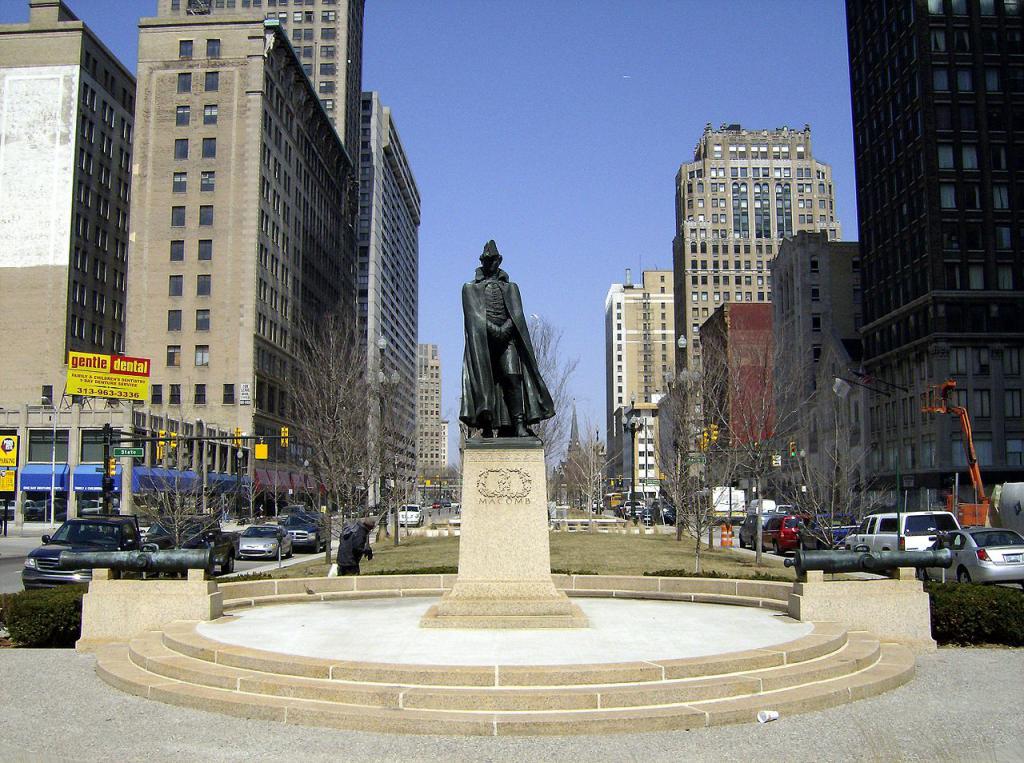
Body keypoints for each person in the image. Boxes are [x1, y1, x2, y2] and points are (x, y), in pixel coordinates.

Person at [460, 240, 555, 438]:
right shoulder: (470, 288)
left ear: (499, 260)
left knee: (513, 377)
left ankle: (519, 424)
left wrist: (505, 329)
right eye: (486, 260)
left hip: (508, 339)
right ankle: (486, 425)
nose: (490, 263)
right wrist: (494, 329)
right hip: (483, 342)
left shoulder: (511, 288)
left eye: (493, 259)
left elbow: (518, 316)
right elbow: (473, 318)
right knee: (486, 381)